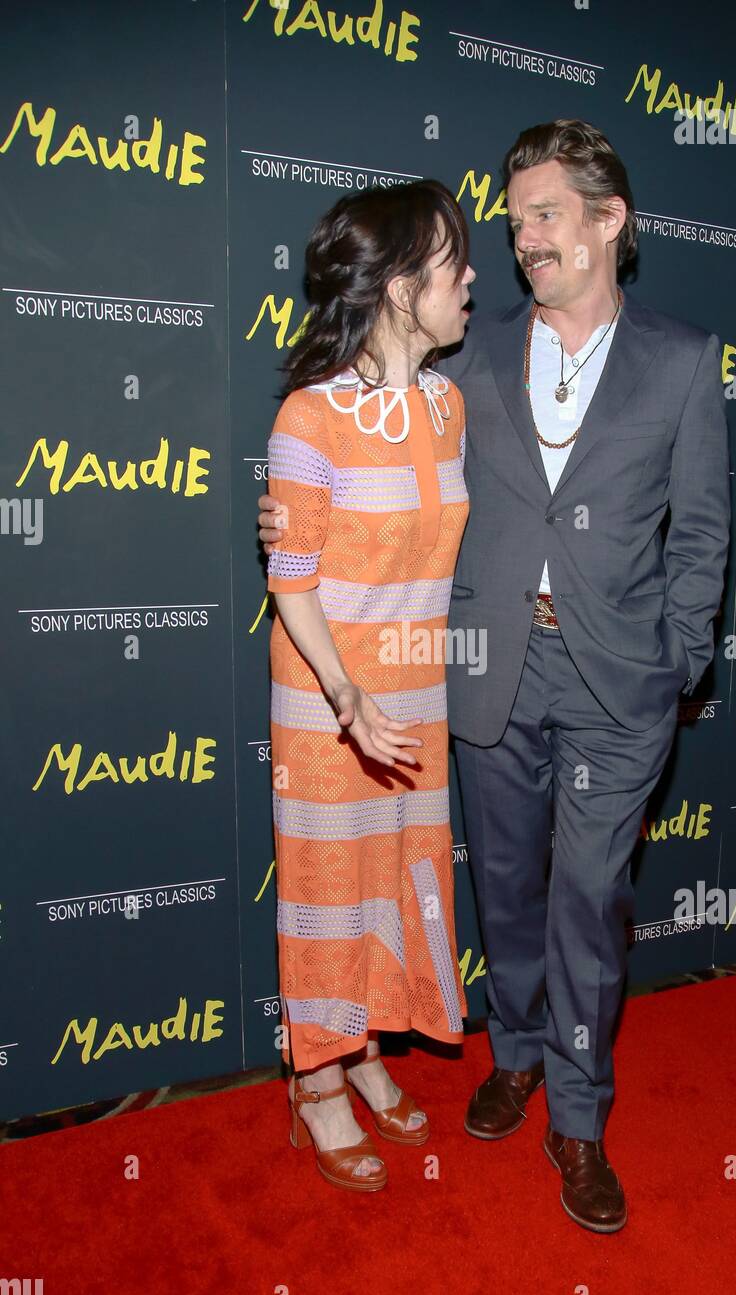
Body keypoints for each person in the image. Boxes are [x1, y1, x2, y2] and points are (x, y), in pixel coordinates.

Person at [260, 119, 731, 1231]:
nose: (521, 241)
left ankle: (578, 1114)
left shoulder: (680, 359)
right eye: (511, 221)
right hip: (488, 676)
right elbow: (351, 432)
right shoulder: (463, 359)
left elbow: (703, 536)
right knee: (506, 893)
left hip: (620, 685)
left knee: (587, 901)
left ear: (608, 220)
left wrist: (678, 662)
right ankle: (512, 1052)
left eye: (544, 215)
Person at [264, 178, 475, 1192]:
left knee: (396, 880)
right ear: (398, 287)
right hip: (329, 704)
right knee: (326, 893)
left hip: (418, 699)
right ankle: (315, 1081)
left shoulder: (449, 404)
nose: (472, 279)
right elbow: (291, 580)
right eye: (451, 264)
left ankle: (367, 1050)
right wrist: (348, 699)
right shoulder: (311, 417)